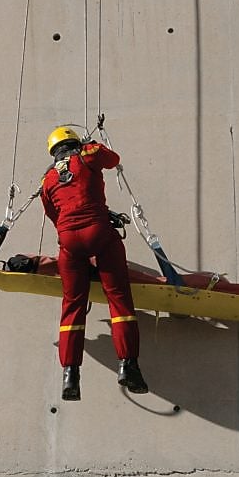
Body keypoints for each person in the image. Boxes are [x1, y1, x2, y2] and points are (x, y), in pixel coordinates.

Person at [40, 126, 149, 401]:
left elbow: (53, 214)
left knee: (72, 306)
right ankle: (128, 366)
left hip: (69, 241)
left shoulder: (48, 179)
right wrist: (92, 144)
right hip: (99, 232)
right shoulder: (88, 155)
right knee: (119, 298)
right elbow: (113, 159)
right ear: (75, 142)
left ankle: (70, 375)